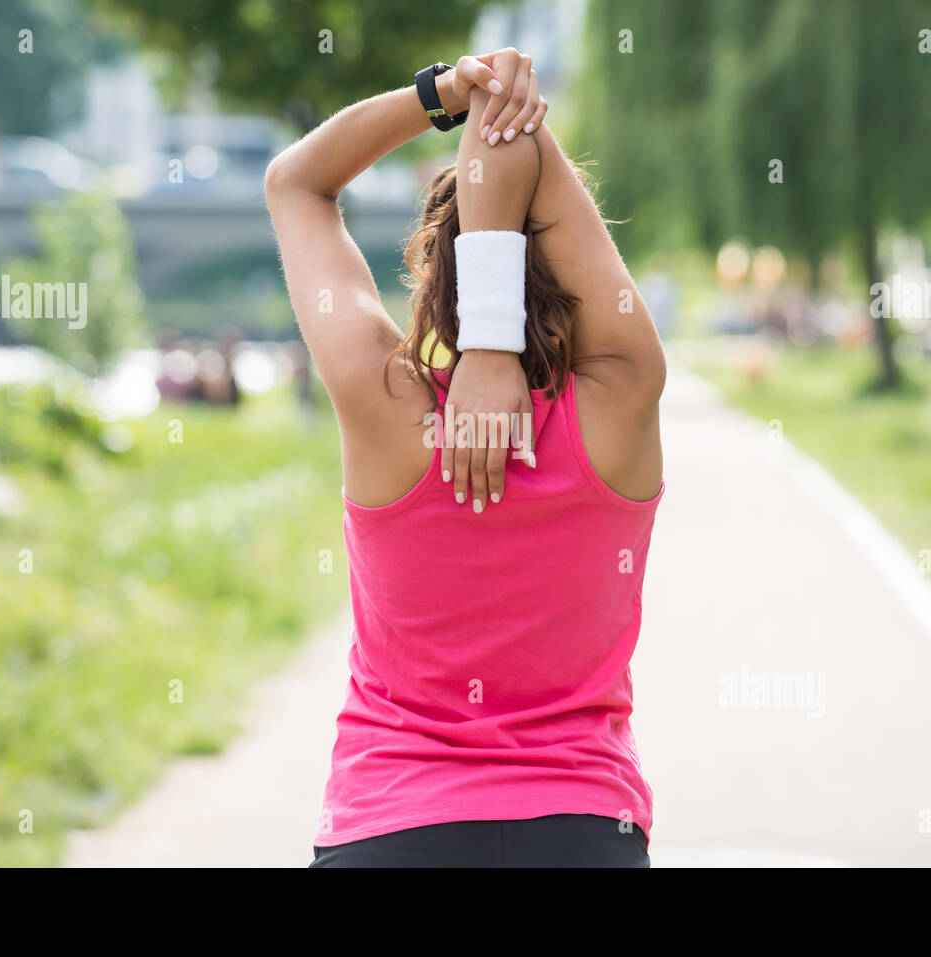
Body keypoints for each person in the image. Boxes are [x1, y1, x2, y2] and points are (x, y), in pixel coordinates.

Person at [266, 47, 666, 867]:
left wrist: (448, 92)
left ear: (434, 277)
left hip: (389, 830)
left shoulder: (385, 410)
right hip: (582, 833)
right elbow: (511, 138)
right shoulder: (624, 400)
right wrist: (502, 106)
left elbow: (296, 183)